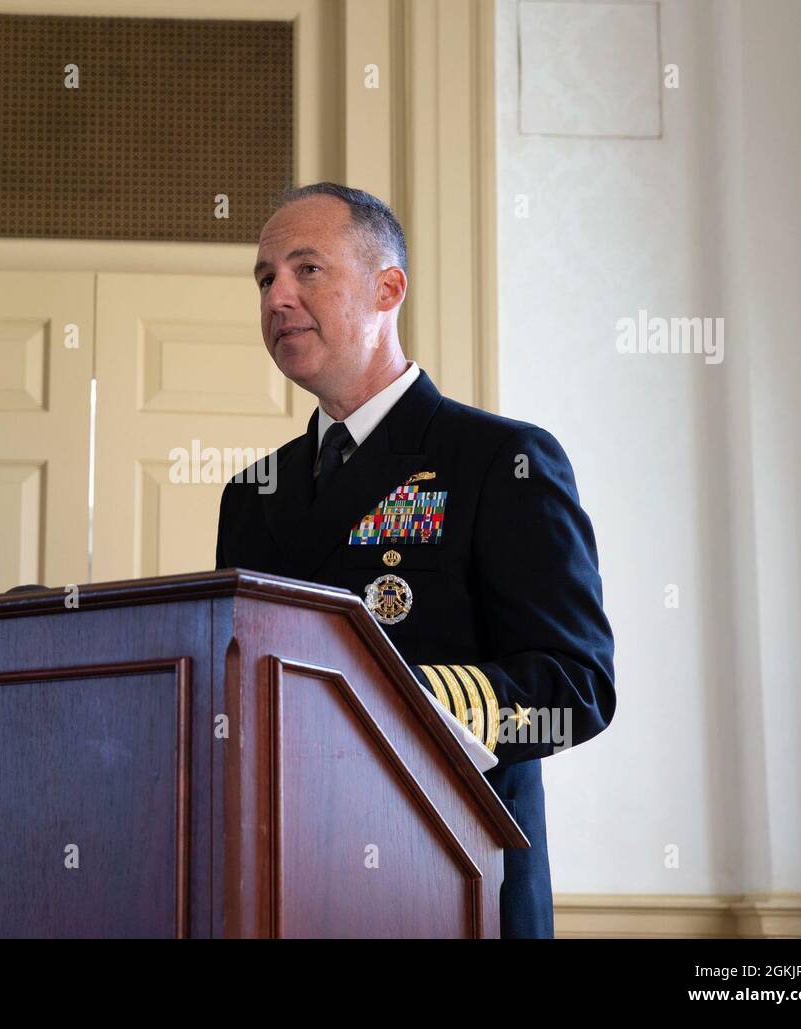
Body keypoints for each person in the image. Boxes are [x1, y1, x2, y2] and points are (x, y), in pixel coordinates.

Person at [214, 182, 616, 939]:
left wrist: (376, 707)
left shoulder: (500, 459)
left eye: (307, 270)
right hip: (287, 886)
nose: (277, 297)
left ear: (387, 287)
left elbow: (577, 681)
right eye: (265, 278)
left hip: (447, 878)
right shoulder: (252, 492)